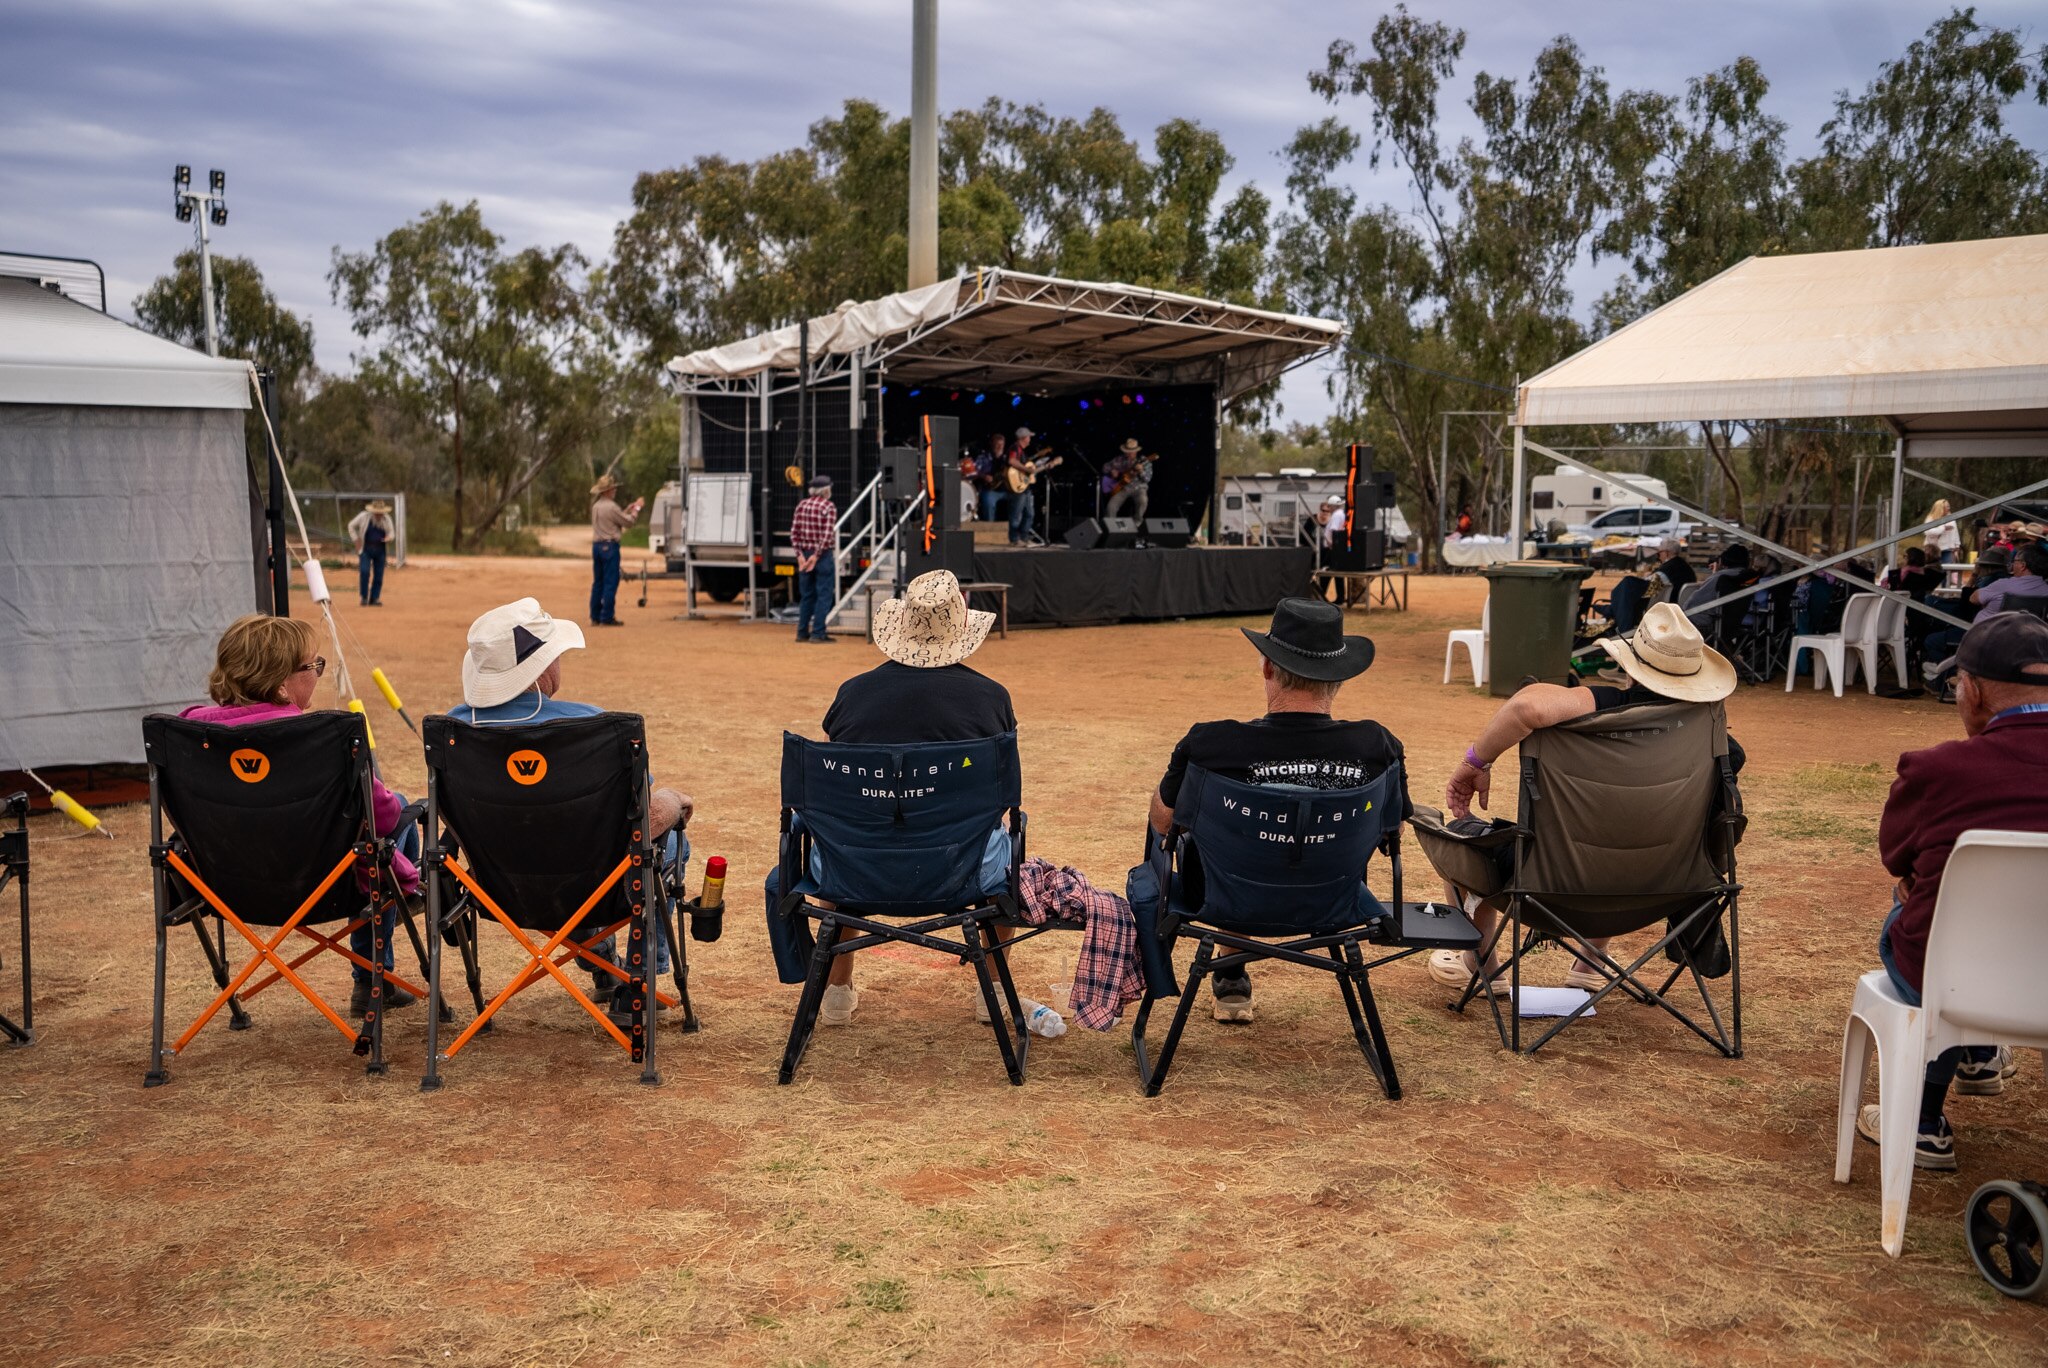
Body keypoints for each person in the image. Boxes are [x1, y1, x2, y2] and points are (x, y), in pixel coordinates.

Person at [777, 569, 1042, 1028]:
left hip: (856, 869)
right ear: (960, 629)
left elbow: (826, 797)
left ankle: (836, 993)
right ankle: (994, 992)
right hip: (958, 870)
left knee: (842, 835)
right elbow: (1000, 802)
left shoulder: (853, 694)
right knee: (1005, 851)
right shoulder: (991, 699)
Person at [1434, 603, 1743, 990]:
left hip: (1548, 888)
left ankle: (1482, 968)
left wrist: (1476, 762)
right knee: (1626, 837)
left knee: (1459, 835)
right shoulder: (1715, 741)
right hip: (1660, 889)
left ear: (1631, 665)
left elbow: (1527, 704)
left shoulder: (1602, 708)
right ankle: (1590, 967)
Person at [1149, 598, 1410, 1023]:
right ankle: (1232, 970)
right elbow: (1392, 829)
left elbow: (1164, 823)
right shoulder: (1378, 746)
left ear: (1268, 669)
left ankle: (1230, 968)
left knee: (1216, 841)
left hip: (1224, 899)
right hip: (1332, 898)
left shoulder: (1211, 745)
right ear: (1339, 680)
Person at [1857, 613, 2048, 1168]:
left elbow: (1896, 856)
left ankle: (1921, 1120)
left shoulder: (1939, 769)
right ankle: (1981, 1052)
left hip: (1956, 974)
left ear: (1973, 689)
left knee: (1920, 900)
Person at [446, 598, 694, 1016]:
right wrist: (674, 801)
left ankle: (600, 959)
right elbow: (643, 822)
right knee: (665, 848)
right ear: (541, 667)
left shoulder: (455, 731)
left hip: (499, 893)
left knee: (564, 846)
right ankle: (639, 980)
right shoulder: (593, 727)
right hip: (594, 888)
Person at [181, 615, 422, 1017]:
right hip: (325, 886)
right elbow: (382, 816)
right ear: (279, 684)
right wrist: (399, 808)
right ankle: (374, 974)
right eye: (312, 667)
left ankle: (382, 945)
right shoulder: (323, 737)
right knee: (398, 817)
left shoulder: (188, 733)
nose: (318, 675)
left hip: (223, 888)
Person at [790, 474, 838, 644]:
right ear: (825, 490)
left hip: (804, 554)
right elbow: (826, 536)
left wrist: (800, 556)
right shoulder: (828, 507)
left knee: (806, 595)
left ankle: (802, 632)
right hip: (822, 556)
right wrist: (816, 556)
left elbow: (794, 533)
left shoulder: (801, 505)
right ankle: (818, 633)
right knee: (824, 594)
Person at [589, 474, 642, 627]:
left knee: (598, 582)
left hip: (597, 546)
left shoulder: (596, 506)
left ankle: (595, 616)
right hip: (610, 547)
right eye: (613, 489)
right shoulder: (611, 507)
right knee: (610, 582)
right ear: (608, 490)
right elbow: (628, 522)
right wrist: (636, 509)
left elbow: (615, 519)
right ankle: (607, 617)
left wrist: (626, 509)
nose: (615, 491)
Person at [1971, 540, 2048, 615]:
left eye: (2014, 561)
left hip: (1991, 627)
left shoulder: (2002, 585)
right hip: (2030, 627)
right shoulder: (2046, 590)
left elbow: (1973, 599)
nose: (2012, 565)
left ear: (2022, 566)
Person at [347, 499, 395, 607]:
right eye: (377, 513)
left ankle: (374, 598)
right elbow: (351, 526)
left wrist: (389, 538)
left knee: (378, 575)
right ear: (373, 511)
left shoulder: (387, 519)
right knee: (364, 572)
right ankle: (364, 597)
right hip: (366, 549)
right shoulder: (364, 516)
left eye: (380, 513)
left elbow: (392, 533)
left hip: (380, 550)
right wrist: (356, 540)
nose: (379, 515)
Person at [1006, 427, 1043, 545]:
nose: (1030, 439)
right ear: (1023, 438)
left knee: (1030, 514)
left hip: (1025, 487)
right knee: (1016, 514)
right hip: (1018, 487)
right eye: (1029, 437)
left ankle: (1024, 537)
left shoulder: (1022, 451)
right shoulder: (1015, 447)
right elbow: (1011, 461)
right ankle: (1014, 539)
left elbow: (1026, 472)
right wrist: (1026, 469)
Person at [1103, 438, 1153, 522]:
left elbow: (1147, 479)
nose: (1129, 453)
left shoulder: (1144, 461)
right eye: (1127, 451)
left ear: (1136, 451)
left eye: (1131, 451)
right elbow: (1104, 467)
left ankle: (1137, 523)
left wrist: (1141, 471)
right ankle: (1110, 526)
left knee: (1143, 501)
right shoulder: (1119, 459)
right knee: (1111, 506)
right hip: (1122, 488)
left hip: (1139, 488)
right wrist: (1112, 471)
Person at [974, 432, 1009, 523]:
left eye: (1001, 444)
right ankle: (990, 529)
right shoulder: (983, 457)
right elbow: (973, 472)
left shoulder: (1008, 459)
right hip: (990, 490)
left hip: (1007, 490)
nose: (999, 447)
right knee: (988, 500)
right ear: (992, 444)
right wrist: (984, 476)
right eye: (997, 444)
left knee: (1020, 498)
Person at [1650, 538, 1696, 603]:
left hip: (1668, 605)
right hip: (1684, 605)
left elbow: (1649, 591)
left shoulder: (1664, 571)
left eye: (1659, 553)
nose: (1658, 556)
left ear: (1667, 553)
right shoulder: (1686, 566)